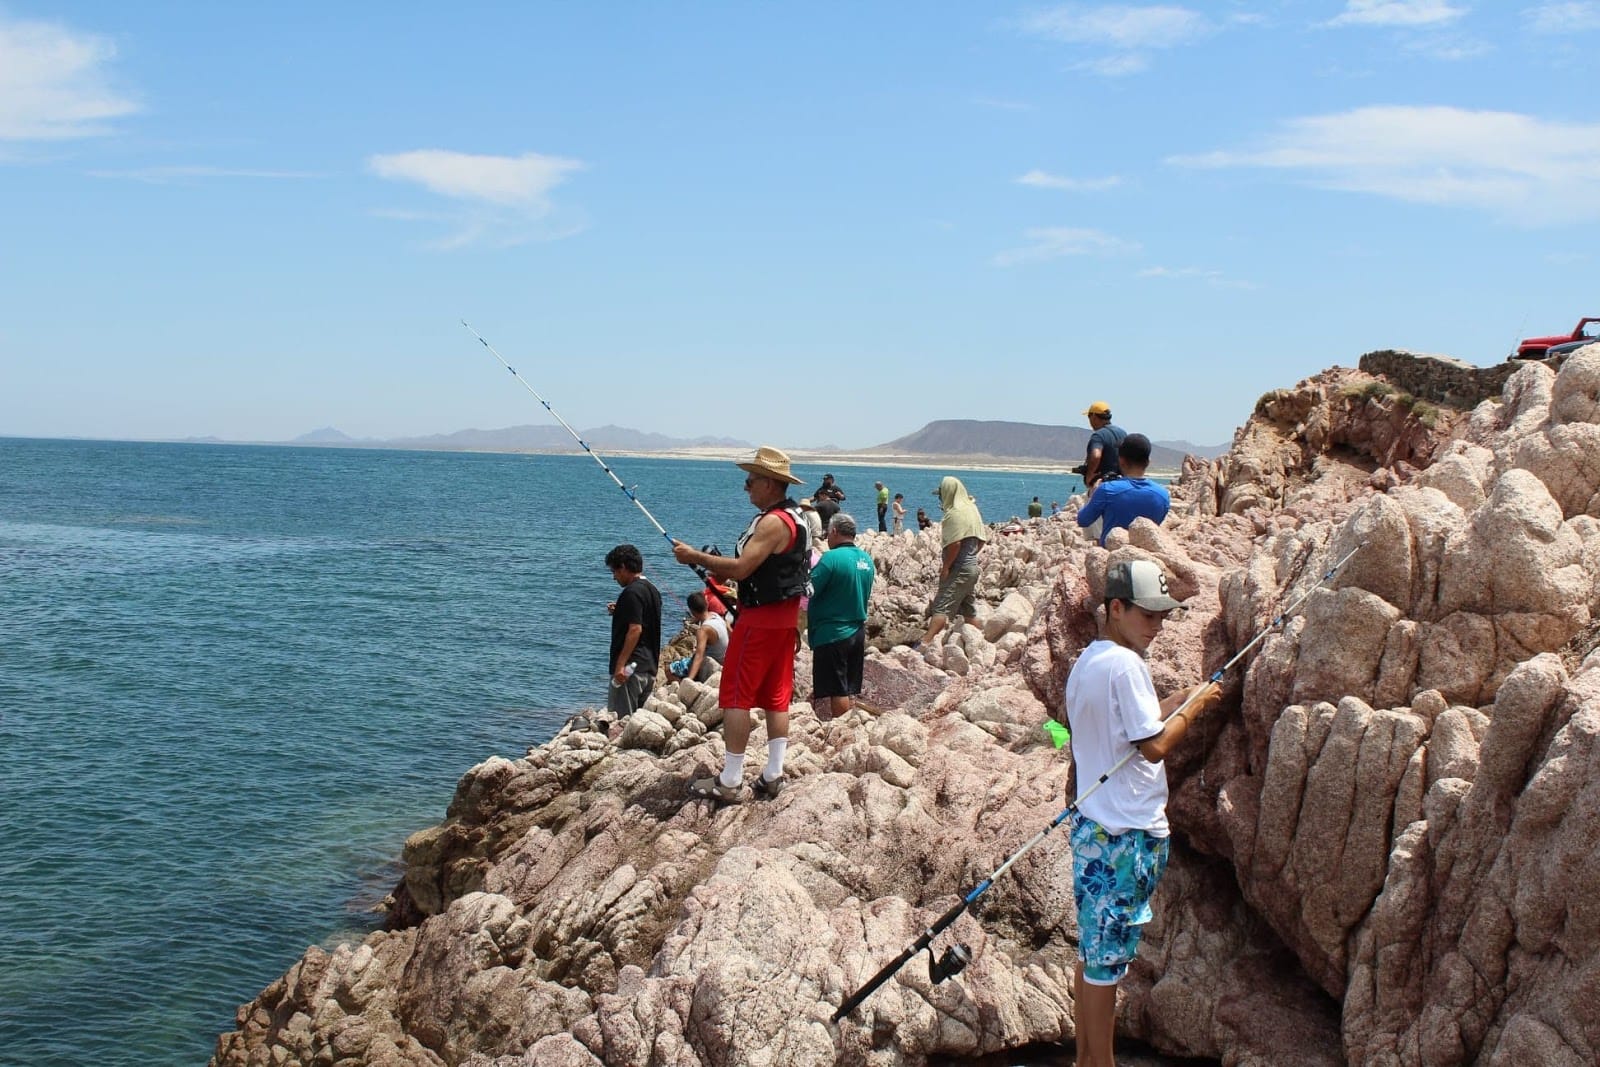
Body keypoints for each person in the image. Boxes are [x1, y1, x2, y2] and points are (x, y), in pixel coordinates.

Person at [1064, 559, 1221, 1067]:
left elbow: (1140, 720)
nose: (1157, 626)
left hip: (1091, 829)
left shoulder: (1089, 661)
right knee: (1107, 964)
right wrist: (1202, 706)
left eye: (1162, 617)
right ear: (1115, 608)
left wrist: (1186, 694)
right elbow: (1153, 745)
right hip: (1126, 836)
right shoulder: (1127, 666)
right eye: (1148, 615)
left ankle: (1085, 1059)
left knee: (1092, 954)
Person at [673, 446, 811, 803]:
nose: (746, 487)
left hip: (760, 621)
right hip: (786, 620)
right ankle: (772, 775)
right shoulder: (796, 518)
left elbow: (741, 569)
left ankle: (731, 781)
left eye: (750, 480)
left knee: (736, 695)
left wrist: (694, 557)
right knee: (776, 696)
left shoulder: (771, 523)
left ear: (769, 483)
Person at [807, 512, 875, 719]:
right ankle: (849, 724)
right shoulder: (866, 560)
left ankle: (841, 729)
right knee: (848, 686)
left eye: (828, 533)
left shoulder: (830, 559)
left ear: (835, 532)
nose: (827, 537)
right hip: (857, 630)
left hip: (833, 632)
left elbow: (809, 590)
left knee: (837, 689)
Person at [917, 476, 988, 648]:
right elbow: (981, 541)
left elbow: (955, 544)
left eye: (940, 495)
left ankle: (924, 644)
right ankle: (985, 640)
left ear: (947, 493)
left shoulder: (954, 514)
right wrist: (970, 557)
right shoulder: (972, 509)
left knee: (941, 606)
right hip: (972, 568)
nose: (940, 499)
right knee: (968, 610)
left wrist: (946, 568)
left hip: (960, 568)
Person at [1075, 433, 1171, 546]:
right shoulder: (1163, 494)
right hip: (1147, 553)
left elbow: (1083, 520)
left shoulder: (1107, 490)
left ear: (1121, 460)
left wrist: (1094, 493)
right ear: (1148, 462)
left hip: (1113, 553)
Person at [603, 544, 662, 721]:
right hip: (648, 666)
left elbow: (635, 629)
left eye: (614, 571)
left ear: (623, 566)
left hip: (630, 669)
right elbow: (645, 618)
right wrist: (620, 610)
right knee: (638, 721)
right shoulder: (652, 589)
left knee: (620, 720)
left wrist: (620, 665)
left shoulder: (632, 592)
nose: (614, 577)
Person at [668, 591, 729, 682]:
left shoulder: (703, 631)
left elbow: (699, 655)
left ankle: (683, 683)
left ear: (692, 611)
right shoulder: (715, 615)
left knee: (668, 670)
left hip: (712, 663)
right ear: (707, 604)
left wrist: (689, 680)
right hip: (724, 658)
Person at [1081, 401, 1127, 491]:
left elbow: (1096, 456)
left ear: (1094, 416)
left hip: (1104, 486)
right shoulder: (1123, 433)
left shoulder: (1098, 435)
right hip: (1122, 484)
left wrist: (1090, 476)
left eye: (1089, 417)